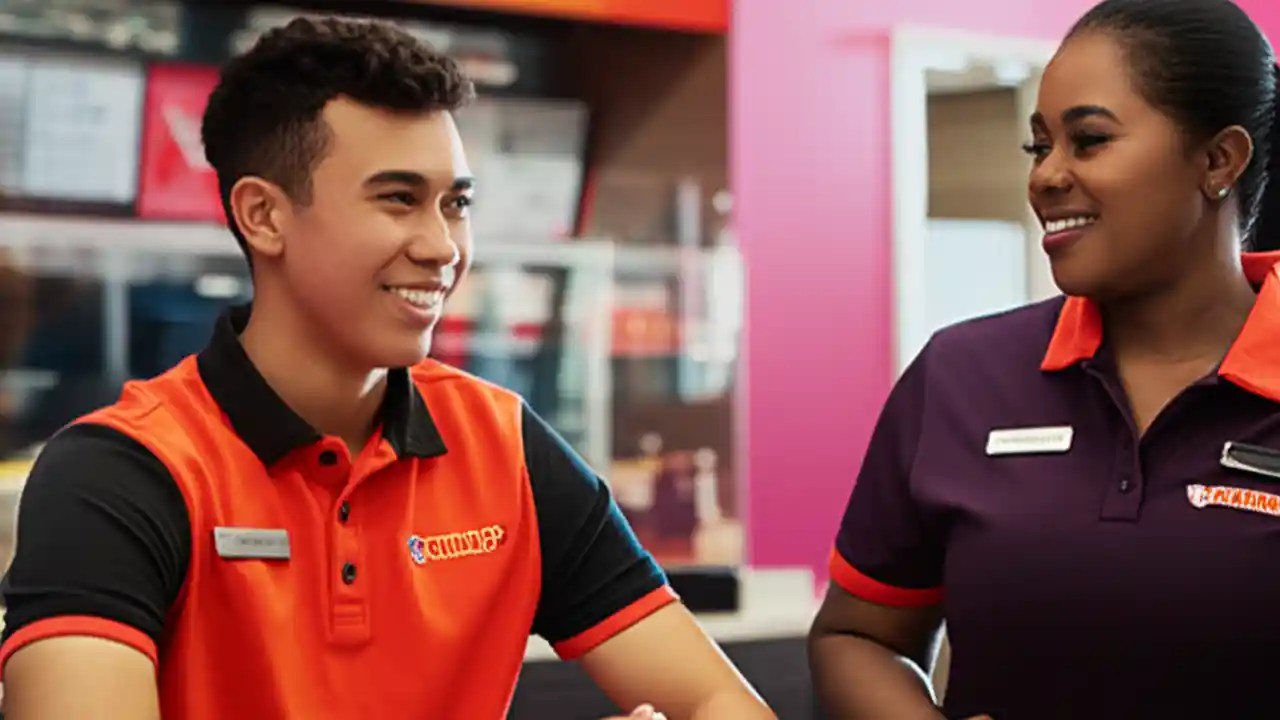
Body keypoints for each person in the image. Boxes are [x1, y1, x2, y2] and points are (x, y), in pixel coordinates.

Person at [0, 16, 773, 720]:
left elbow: (719, 702)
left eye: (456, 204)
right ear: (262, 215)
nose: (443, 247)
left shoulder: (503, 444)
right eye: (399, 199)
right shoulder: (121, 474)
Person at [810, 1, 1280, 718]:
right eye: (1039, 147)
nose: (1046, 177)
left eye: (1089, 141)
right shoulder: (960, 376)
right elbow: (857, 635)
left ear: (1219, 160)